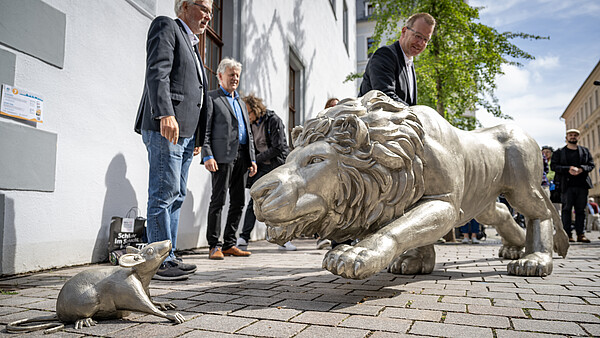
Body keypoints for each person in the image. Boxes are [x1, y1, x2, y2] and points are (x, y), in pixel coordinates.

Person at [134, 0, 212, 281]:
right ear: (185, 6)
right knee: (162, 194)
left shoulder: (192, 45)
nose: (208, 16)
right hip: (165, 126)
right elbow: (157, 72)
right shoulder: (166, 25)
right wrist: (165, 113)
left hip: (187, 134)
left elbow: (198, 95)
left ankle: (171, 254)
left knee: (176, 195)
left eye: (211, 11)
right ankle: (159, 261)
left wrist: (198, 138)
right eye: (204, 8)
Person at [202, 57, 257, 259]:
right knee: (218, 201)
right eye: (231, 74)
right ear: (220, 76)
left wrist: (252, 158)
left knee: (239, 202)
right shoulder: (212, 98)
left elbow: (248, 133)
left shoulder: (241, 102)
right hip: (221, 157)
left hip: (242, 157)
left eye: (237, 75)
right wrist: (207, 154)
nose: (235, 78)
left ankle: (229, 244)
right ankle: (214, 245)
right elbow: (205, 129)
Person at [236, 95, 295, 251]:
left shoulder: (273, 120)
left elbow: (279, 147)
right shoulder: (250, 124)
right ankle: (243, 237)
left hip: (276, 165)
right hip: (261, 167)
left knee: (280, 202)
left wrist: (255, 159)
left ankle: (284, 239)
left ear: (255, 109)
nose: (247, 116)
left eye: (248, 112)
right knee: (255, 200)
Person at [359, 13, 435, 105]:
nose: (420, 43)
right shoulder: (385, 55)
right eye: (418, 36)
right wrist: (416, 113)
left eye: (426, 40)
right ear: (404, 31)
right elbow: (385, 98)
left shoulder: (409, 64)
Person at [551, 129, 595, 243]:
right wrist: (568, 169)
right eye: (570, 135)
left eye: (575, 135)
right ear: (566, 137)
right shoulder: (559, 152)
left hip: (582, 185)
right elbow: (554, 166)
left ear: (578, 137)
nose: (573, 137)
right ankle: (567, 234)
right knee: (566, 210)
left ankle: (581, 234)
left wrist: (581, 169)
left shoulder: (584, 151)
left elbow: (591, 165)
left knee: (581, 211)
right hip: (566, 186)